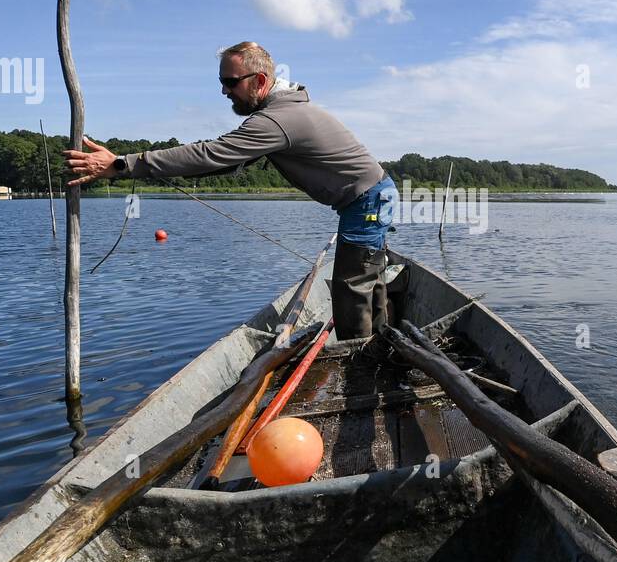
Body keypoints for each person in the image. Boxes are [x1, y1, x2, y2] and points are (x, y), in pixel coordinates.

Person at [62, 41, 396, 340]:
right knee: (370, 279)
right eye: (221, 82)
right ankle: (380, 341)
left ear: (260, 81)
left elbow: (209, 154)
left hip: (365, 200)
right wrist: (129, 166)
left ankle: (359, 362)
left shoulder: (276, 121)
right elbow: (220, 162)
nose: (224, 91)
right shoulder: (282, 112)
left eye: (230, 82)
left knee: (351, 288)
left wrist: (122, 163)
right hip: (375, 194)